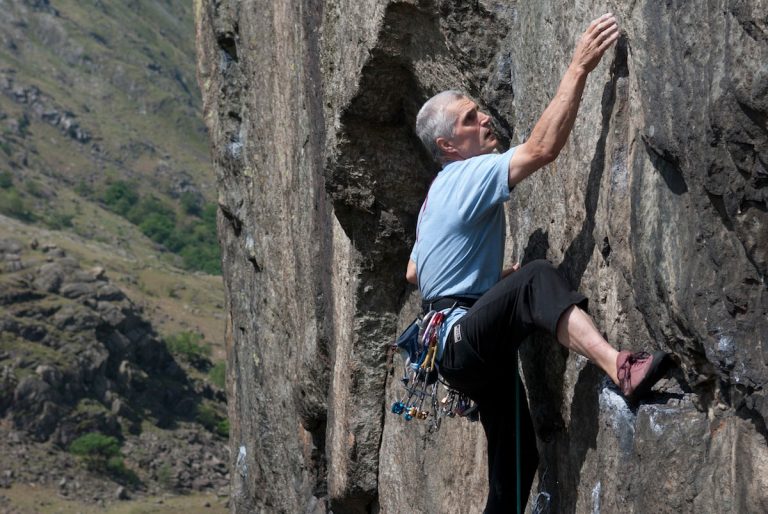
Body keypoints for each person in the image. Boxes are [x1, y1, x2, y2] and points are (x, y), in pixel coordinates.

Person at [406, 14, 670, 514]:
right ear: (447, 147)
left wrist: (479, 278)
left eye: (478, 111)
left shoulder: (433, 199)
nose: (484, 120)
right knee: (534, 280)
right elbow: (543, 148)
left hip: (453, 348)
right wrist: (578, 67)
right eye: (469, 120)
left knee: (519, 461)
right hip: (462, 339)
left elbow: (414, 272)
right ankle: (620, 366)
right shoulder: (465, 176)